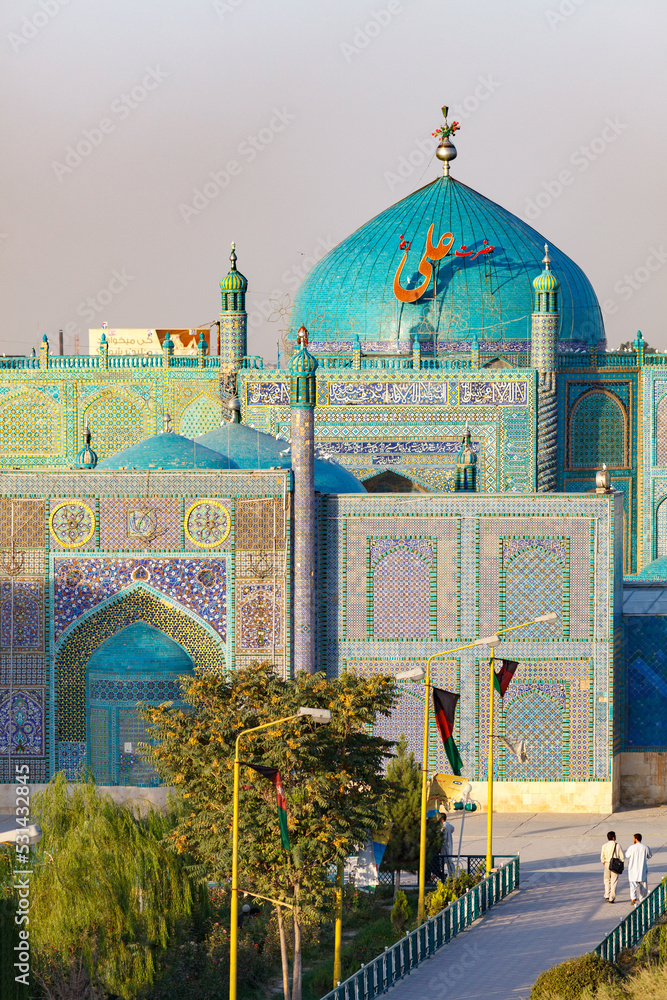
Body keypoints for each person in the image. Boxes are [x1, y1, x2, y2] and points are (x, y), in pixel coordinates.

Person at [626, 834, 652, 905]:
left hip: (633, 869)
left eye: (633, 838)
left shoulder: (631, 847)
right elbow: (649, 855)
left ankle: (633, 898)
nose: (632, 839)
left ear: (636, 839)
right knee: (643, 885)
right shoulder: (645, 847)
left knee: (633, 885)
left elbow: (627, 855)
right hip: (642, 869)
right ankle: (642, 899)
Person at [600, 831, 624, 903]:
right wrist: (622, 865)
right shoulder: (617, 845)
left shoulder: (604, 846)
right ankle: (612, 898)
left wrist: (605, 864)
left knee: (606, 880)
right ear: (613, 837)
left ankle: (607, 895)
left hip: (607, 863)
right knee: (614, 881)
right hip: (615, 864)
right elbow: (622, 857)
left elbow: (602, 858)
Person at [439, 812, 455, 877]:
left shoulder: (444, 826)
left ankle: (451, 876)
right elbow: (452, 828)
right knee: (447, 861)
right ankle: (450, 875)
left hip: (445, 846)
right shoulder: (448, 825)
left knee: (446, 861)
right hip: (449, 845)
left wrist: (440, 846)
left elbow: (444, 837)